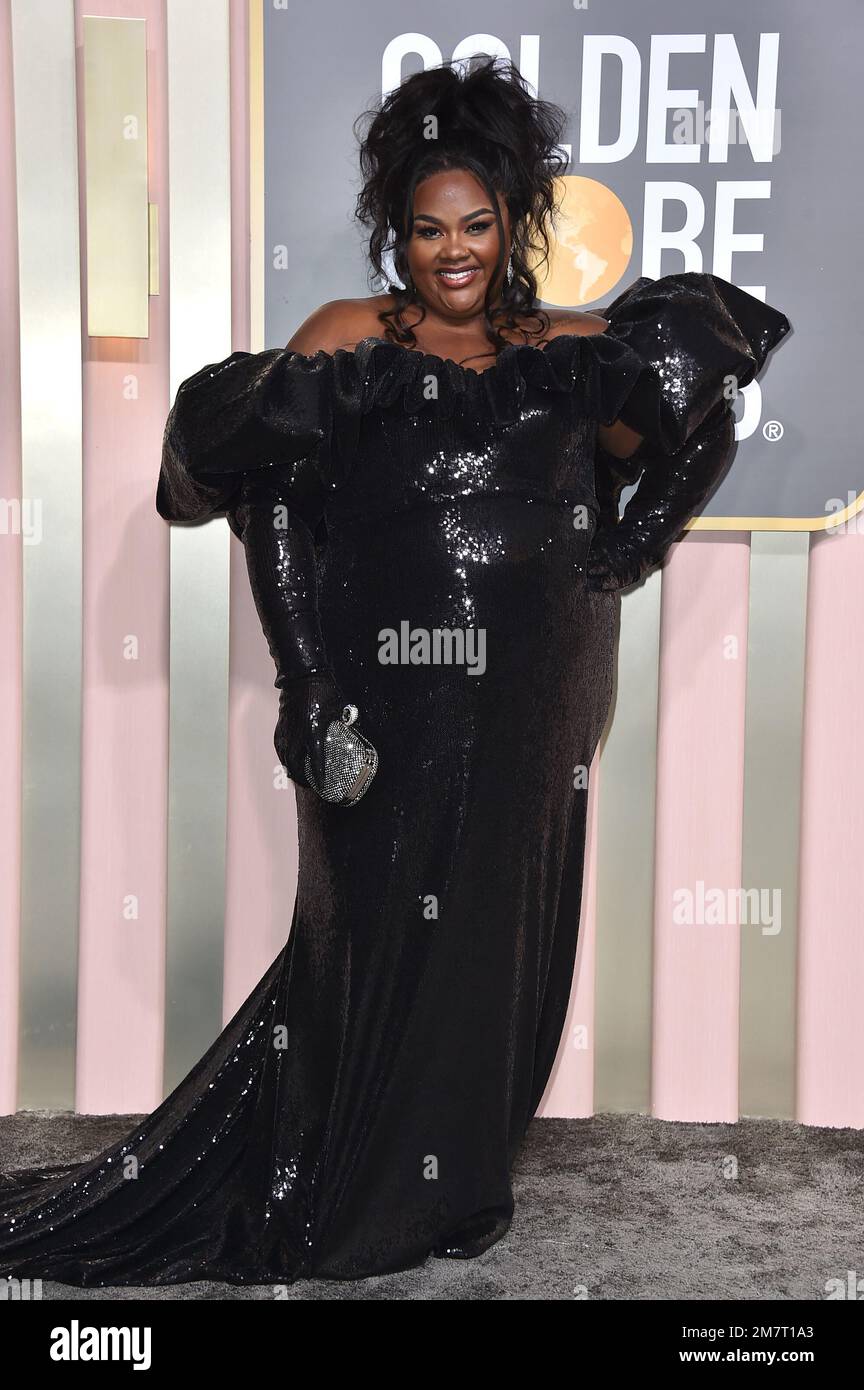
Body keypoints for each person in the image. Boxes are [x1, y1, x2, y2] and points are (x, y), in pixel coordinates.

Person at [0, 55, 790, 1287]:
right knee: (364, 942)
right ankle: (340, 1194)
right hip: (382, 703)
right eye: (429, 230)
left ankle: (457, 1189)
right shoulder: (343, 343)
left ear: (515, 221)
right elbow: (258, 505)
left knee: (500, 942)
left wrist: (634, 550)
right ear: (397, 233)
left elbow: (712, 407)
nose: (455, 252)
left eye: (477, 225)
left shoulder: (575, 346)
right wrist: (309, 689)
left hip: (537, 702)